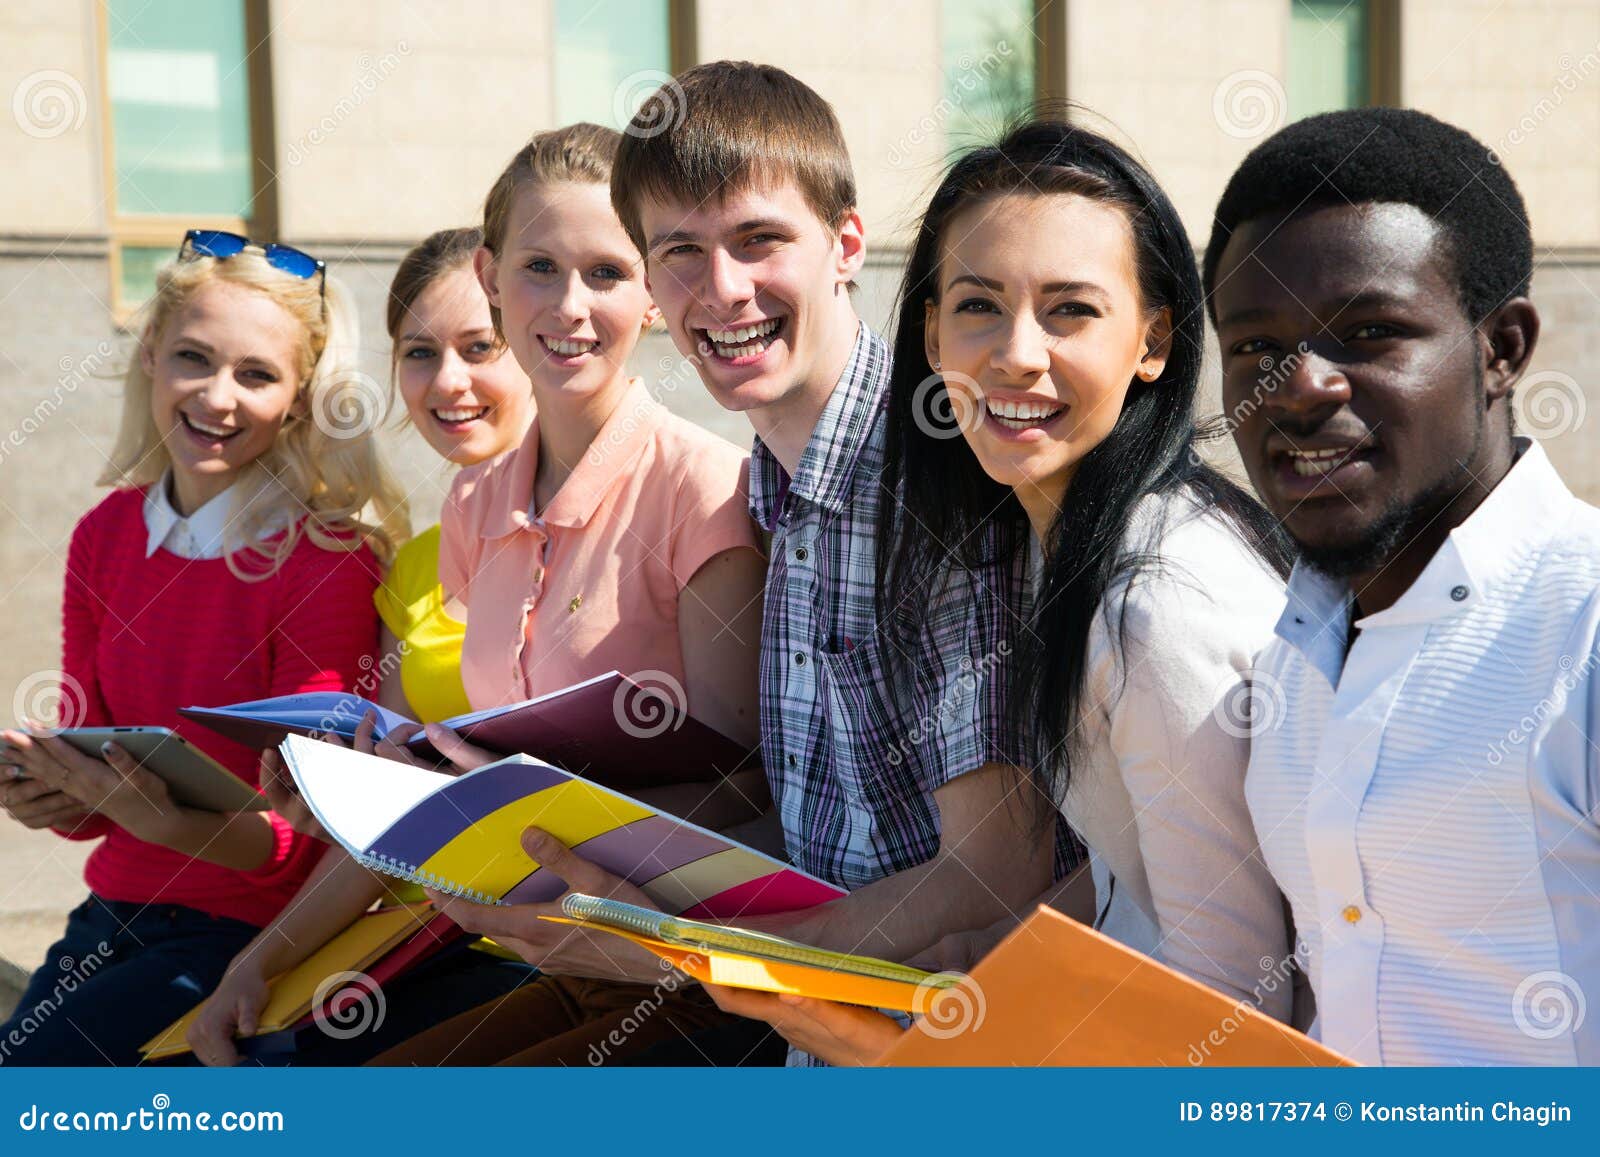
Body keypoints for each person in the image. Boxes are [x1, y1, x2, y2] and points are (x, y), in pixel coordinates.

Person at [413, 63, 1064, 1067]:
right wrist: (574, 882)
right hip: (809, 1033)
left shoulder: (938, 482)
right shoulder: (769, 481)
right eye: (680, 252)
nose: (720, 289)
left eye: (758, 240)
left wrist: (674, 951)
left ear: (845, 244)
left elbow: (992, 873)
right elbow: (812, 824)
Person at [703, 114, 1296, 1063]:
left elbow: (1231, 1008)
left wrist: (930, 1065)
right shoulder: (1068, 541)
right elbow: (1126, 881)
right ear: (930, 329)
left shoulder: (1160, 602)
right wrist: (968, 970)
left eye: (1071, 311)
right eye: (978, 305)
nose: (1017, 353)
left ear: (1155, 339)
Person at [365, 123, 770, 1066]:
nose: (570, 306)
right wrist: (407, 791)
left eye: (607, 272)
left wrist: (535, 844)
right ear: (491, 275)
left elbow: (744, 784)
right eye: (539, 267)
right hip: (541, 945)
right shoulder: (474, 498)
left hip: (687, 967)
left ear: (658, 295)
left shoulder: (706, 487)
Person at [1206, 106, 1600, 1066]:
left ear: (1502, 349)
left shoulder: (1583, 628)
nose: (1299, 386)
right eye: (1255, 348)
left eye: (1370, 332)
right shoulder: (1295, 654)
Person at [0, 233, 404, 1065]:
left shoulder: (326, 559)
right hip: (111, 910)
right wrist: (53, 794)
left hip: (245, 937)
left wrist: (158, 818)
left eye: (256, 374)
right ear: (150, 355)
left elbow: (305, 836)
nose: (219, 397)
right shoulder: (104, 534)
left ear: (297, 399)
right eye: (193, 357)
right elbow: (97, 751)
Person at [187, 226, 540, 1066]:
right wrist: (257, 960)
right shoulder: (416, 568)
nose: (447, 381)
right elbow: (388, 829)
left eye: (480, 347)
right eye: (418, 352)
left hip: (561, 943)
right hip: (427, 930)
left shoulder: (615, 528)